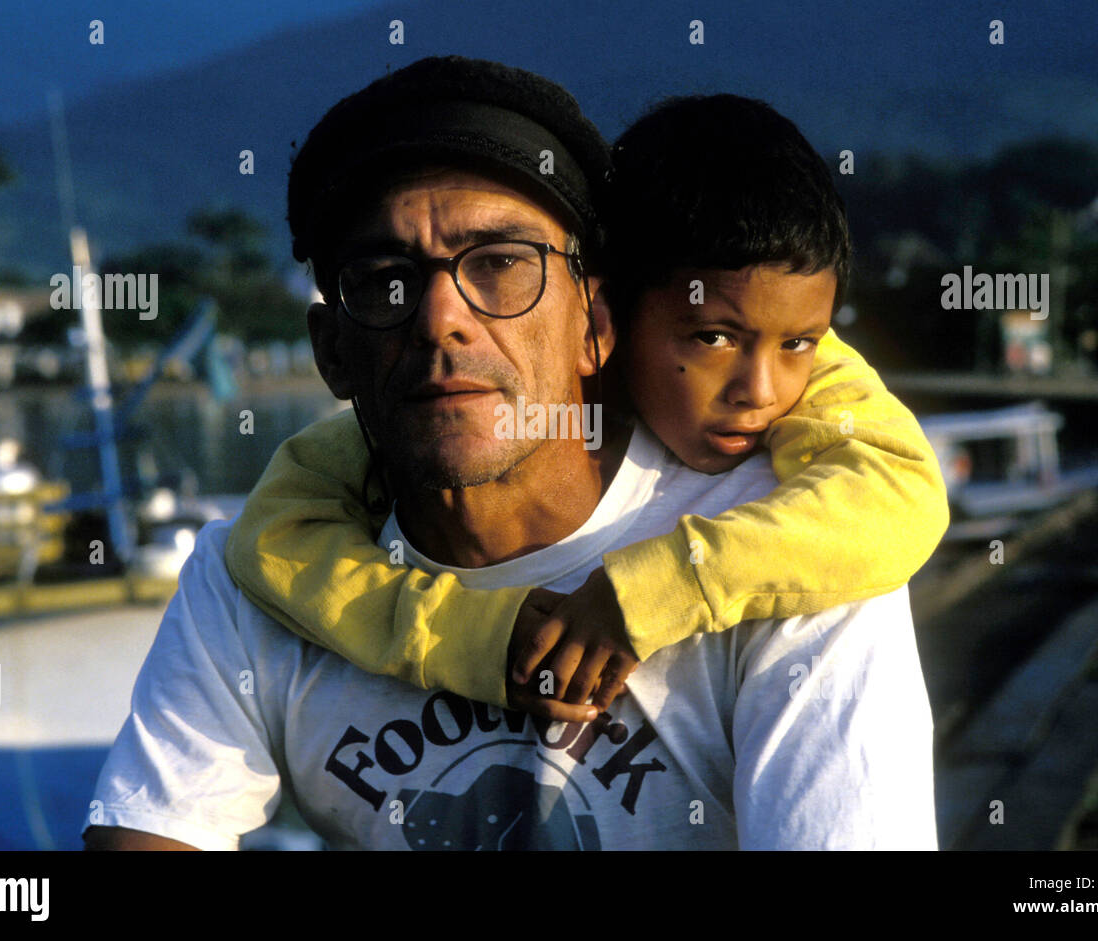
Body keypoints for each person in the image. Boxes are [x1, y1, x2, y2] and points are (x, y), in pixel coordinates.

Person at [85, 56, 938, 850]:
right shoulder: (258, 577)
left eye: (499, 264)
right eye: (385, 278)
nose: (440, 318)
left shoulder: (794, 552)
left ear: (596, 321)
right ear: (331, 351)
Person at [223, 94, 949, 722]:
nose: (759, 390)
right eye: (711, 336)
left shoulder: (801, 371)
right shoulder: (447, 413)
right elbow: (275, 541)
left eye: (798, 341)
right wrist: (475, 636)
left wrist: (645, 593)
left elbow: (903, 491)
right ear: (606, 312)